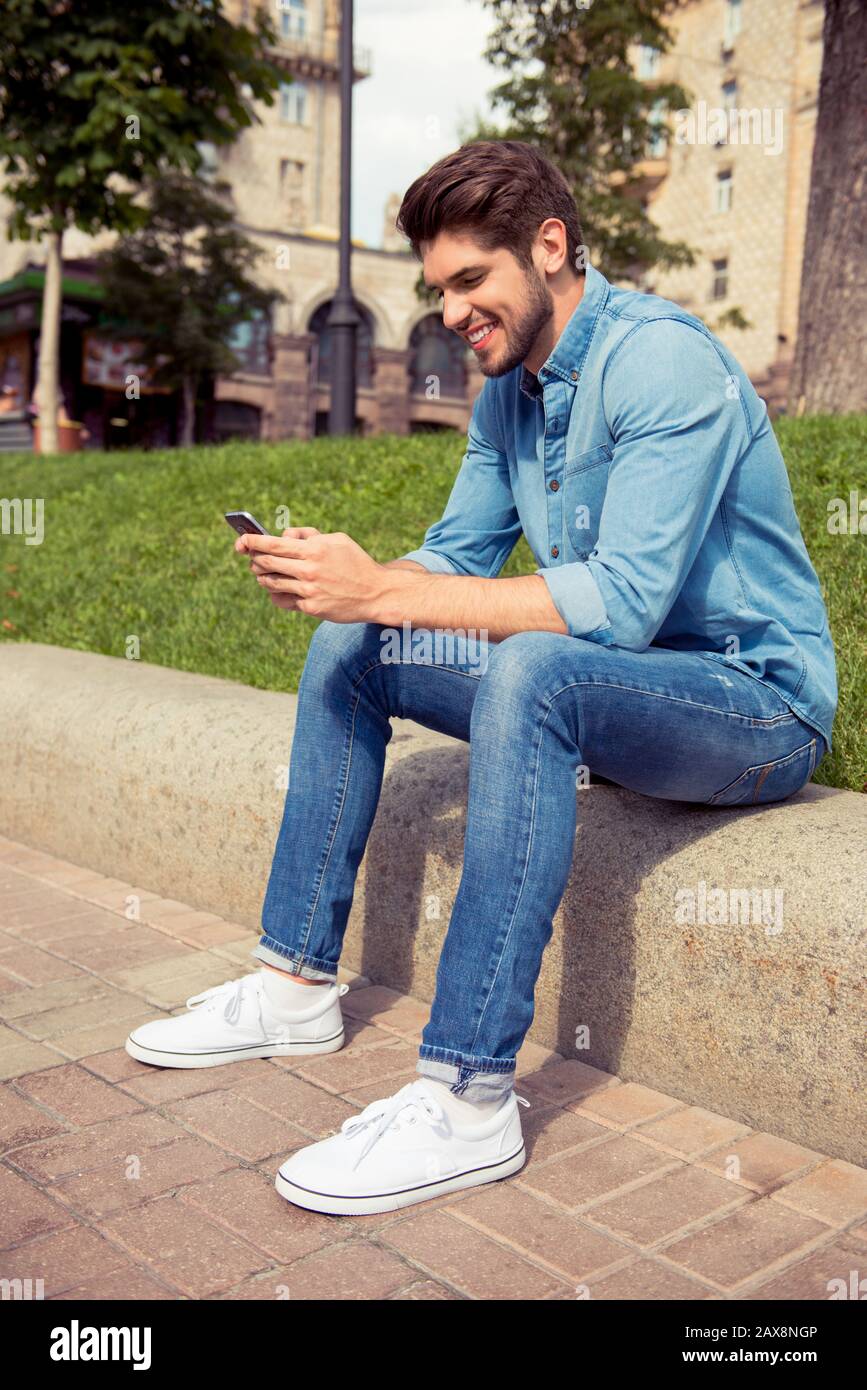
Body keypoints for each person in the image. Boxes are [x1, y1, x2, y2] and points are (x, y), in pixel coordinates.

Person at [126, 140, 837, 1217]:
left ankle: (467, 1098)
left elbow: (622, 602)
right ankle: (293, 986)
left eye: (469, 281)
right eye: (439, 291)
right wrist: (348, 581)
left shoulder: (662, 360)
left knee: (533, 672)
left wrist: (387, 591)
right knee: (356, 647)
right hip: (617, 689)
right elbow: (453, 559)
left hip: (752, 707)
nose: (453, 313)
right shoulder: (510, 391)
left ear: (549, 246)